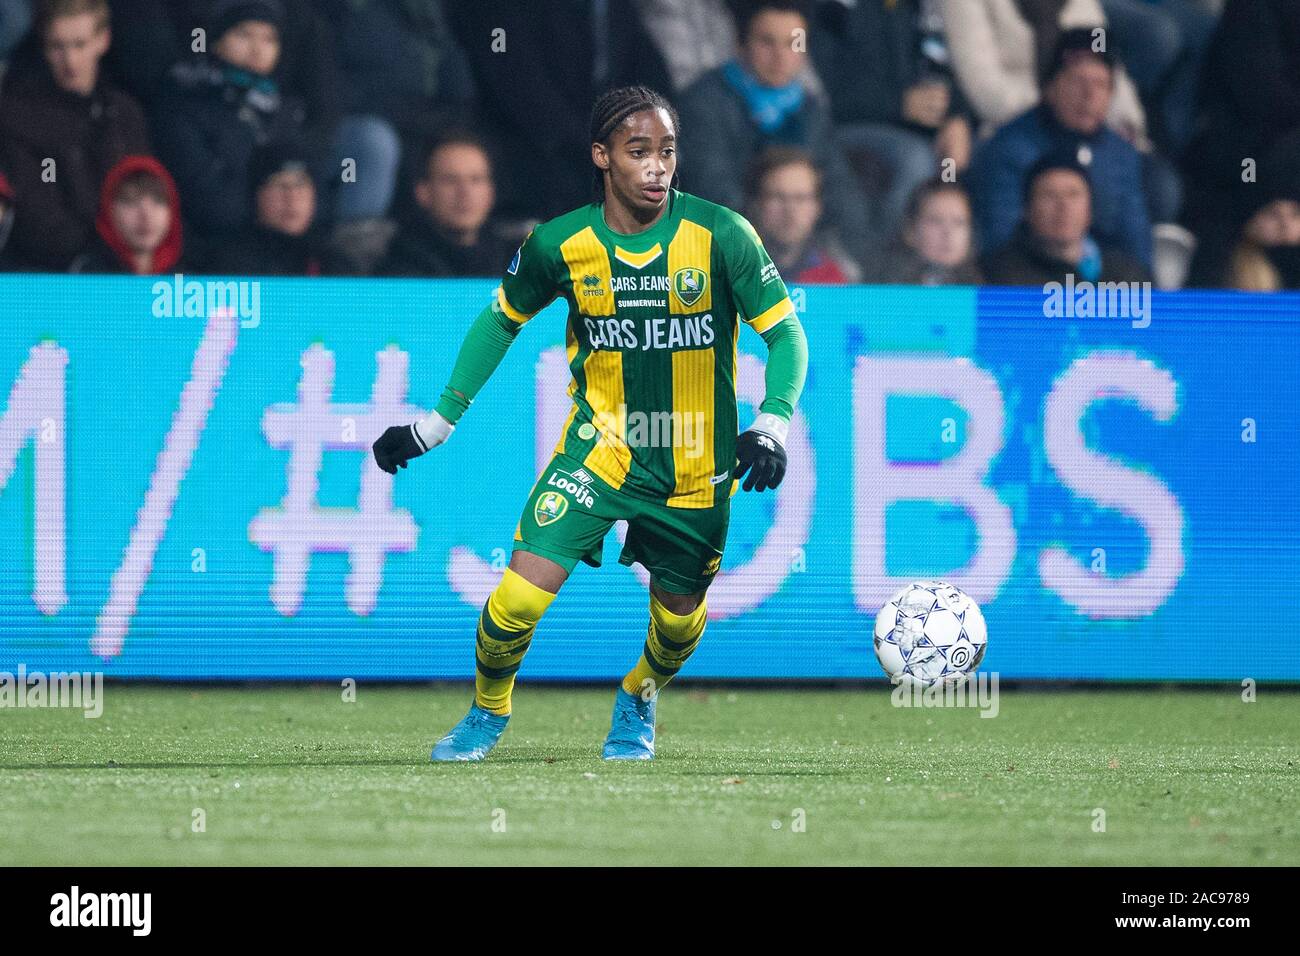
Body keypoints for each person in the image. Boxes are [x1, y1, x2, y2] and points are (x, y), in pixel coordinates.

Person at [371, 86, 808, 762]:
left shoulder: (722, 235)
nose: (657, 167)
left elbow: (786, 337)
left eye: (667, 151)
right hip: (599, 452)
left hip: (694, 462)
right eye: (639, 152)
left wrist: (772, 423)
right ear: (603, 156)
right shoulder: (561, 244)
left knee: (677, 624)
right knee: (516, 599)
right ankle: (487, 712)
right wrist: (437, 423)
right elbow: (500, 321)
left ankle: (639, 693)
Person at [676, 0, 870, 258]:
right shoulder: (703, 102)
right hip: (726, 251)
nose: (781, 56)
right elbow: (712, 190)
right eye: (767, 42)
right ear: (740, 44)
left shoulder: (810, 108)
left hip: (800, 249)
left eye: (793, 44)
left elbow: (839, 190)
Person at [969, 27, 1155, 268]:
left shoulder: (1122, 154)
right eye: (1078, 81)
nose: (1089, 95)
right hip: (1030, 287)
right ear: (1049, 88)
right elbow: (999, 244)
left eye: (1100, 84)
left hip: (1102, 288)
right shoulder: (1009, 148)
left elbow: (1135, 240)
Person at [0, 0, 149, 269]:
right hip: (52, 274)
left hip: (126, 262)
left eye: (79, 44)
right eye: (57, 47)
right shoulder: (18, 115)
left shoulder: (125, 112)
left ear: (102, 41)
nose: (69, 60)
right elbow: (38, 218)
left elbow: (145, 190)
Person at [149, 0, 311, 239]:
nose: (257, 49)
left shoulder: (288, 111)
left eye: (269, 39)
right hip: (216, 248)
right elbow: (204, 196)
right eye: (244, 34)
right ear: (216, 40)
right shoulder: (184, 105)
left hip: (285, 248)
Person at [981, 154, 1149, 285]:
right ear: (1027, 210)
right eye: (1049, 195)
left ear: (1090, 208)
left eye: (1073, 194)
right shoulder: (999, 276)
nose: (1063, 206)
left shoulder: (1127, 274)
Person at [378, 132, 517, 277]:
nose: (465, 192)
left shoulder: (517, 261)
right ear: (423, 192)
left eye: (476, 180)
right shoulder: (399, 268)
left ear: (490, 192)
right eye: (450, 180)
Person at [208, 140, 341, 275]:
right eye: (278, 184)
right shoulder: (226, 267)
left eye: (300, 184)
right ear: (255, 194)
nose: (291, 197)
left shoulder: (337, 268)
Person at [747, 146, 860, 283]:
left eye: (800, 198)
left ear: (817, 207)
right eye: (778, 197)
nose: (790, 209)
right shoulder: (730, 270)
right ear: (757, 204)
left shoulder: (838, 275)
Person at [70, 154, 184, 274]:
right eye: (130, 201)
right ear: (108, 209)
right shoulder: (87, 275)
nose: (146, 215)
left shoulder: (189, 282)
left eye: (158, 201)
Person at [872, 179, 982, 285]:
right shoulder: (887, 287)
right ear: (910, 230)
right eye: (936, 220)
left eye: (958, 222)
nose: (948, 232)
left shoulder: (984, 291)